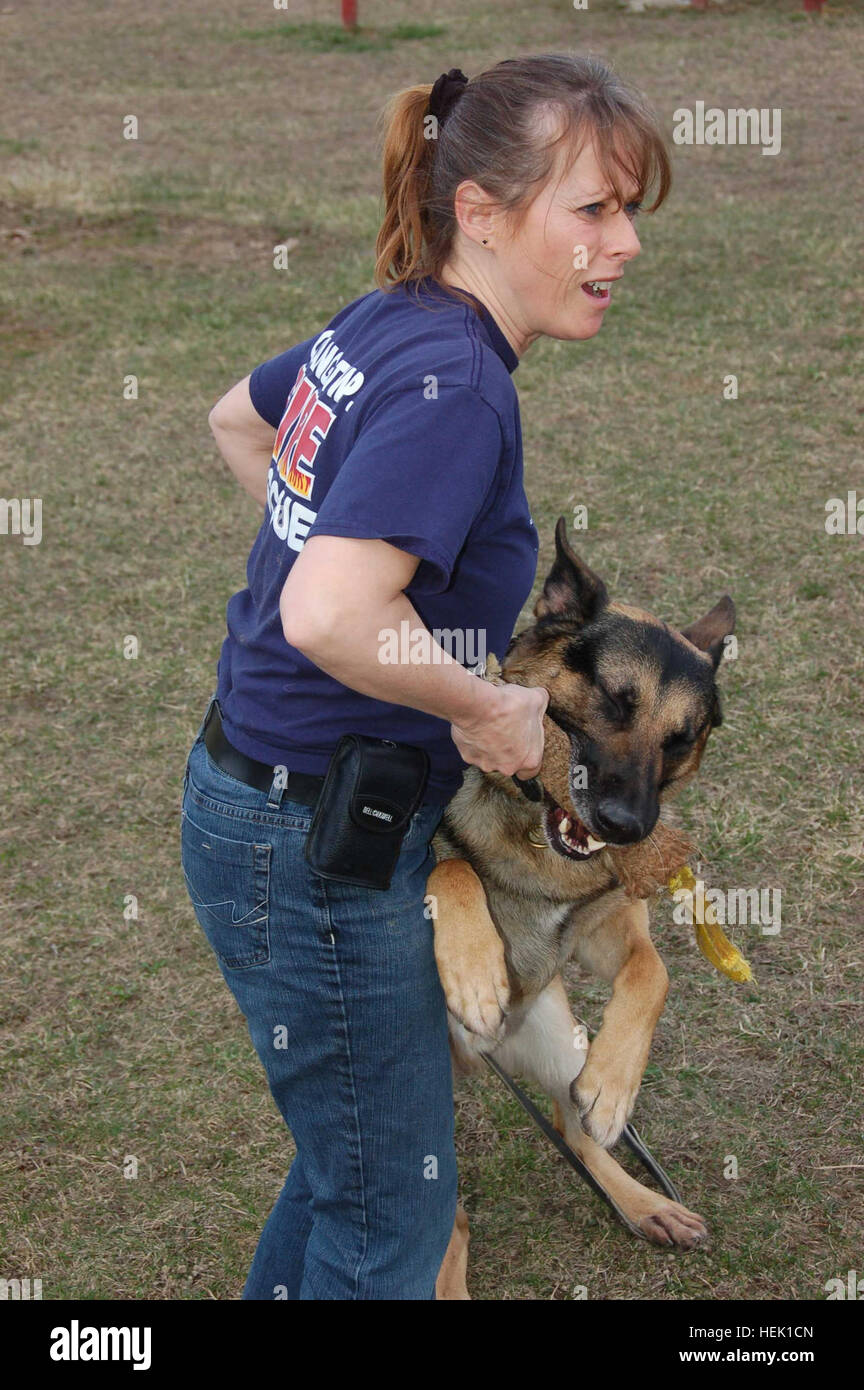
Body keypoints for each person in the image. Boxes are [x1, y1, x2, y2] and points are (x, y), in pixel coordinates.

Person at [180, 53, 670, 1300]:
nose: (623, 244)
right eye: (593, 209)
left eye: (631, 211)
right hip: (309, 838)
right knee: (393, 1219)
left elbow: (239, 421)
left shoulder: (392, 315)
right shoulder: (458, 387)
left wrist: (335, 570)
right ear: (483, 212)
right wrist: (486, 702)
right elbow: (331, 608)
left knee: (355, 1161)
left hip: (272, 805)